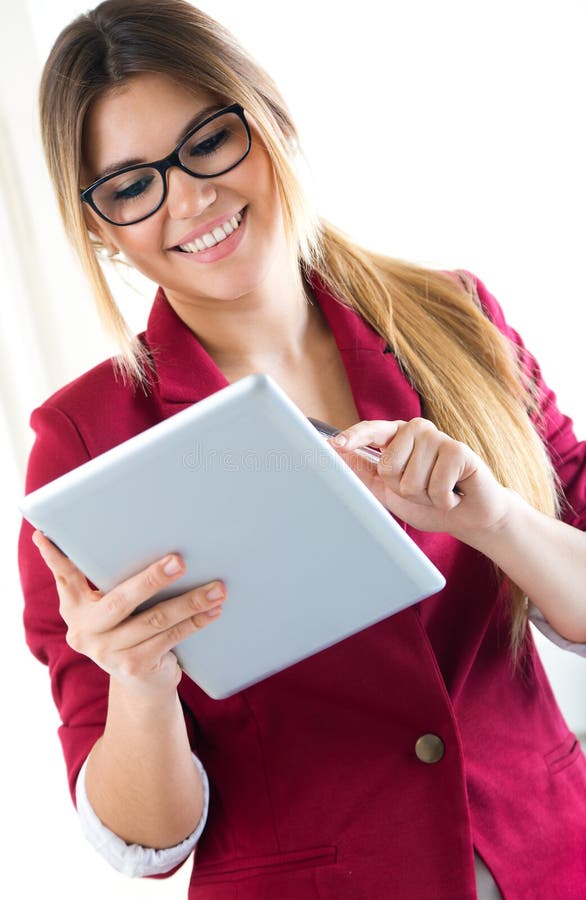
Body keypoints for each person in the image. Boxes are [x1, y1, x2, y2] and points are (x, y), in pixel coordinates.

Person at [18, 1, 586, 897]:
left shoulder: (455, 317)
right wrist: (136, 680)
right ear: (101, 227)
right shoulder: (84, 441)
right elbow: (145, 841)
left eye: (208, 140)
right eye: (131, 186)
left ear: (269, 117)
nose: (190, 199)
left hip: (556, 861)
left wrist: (499, 521)